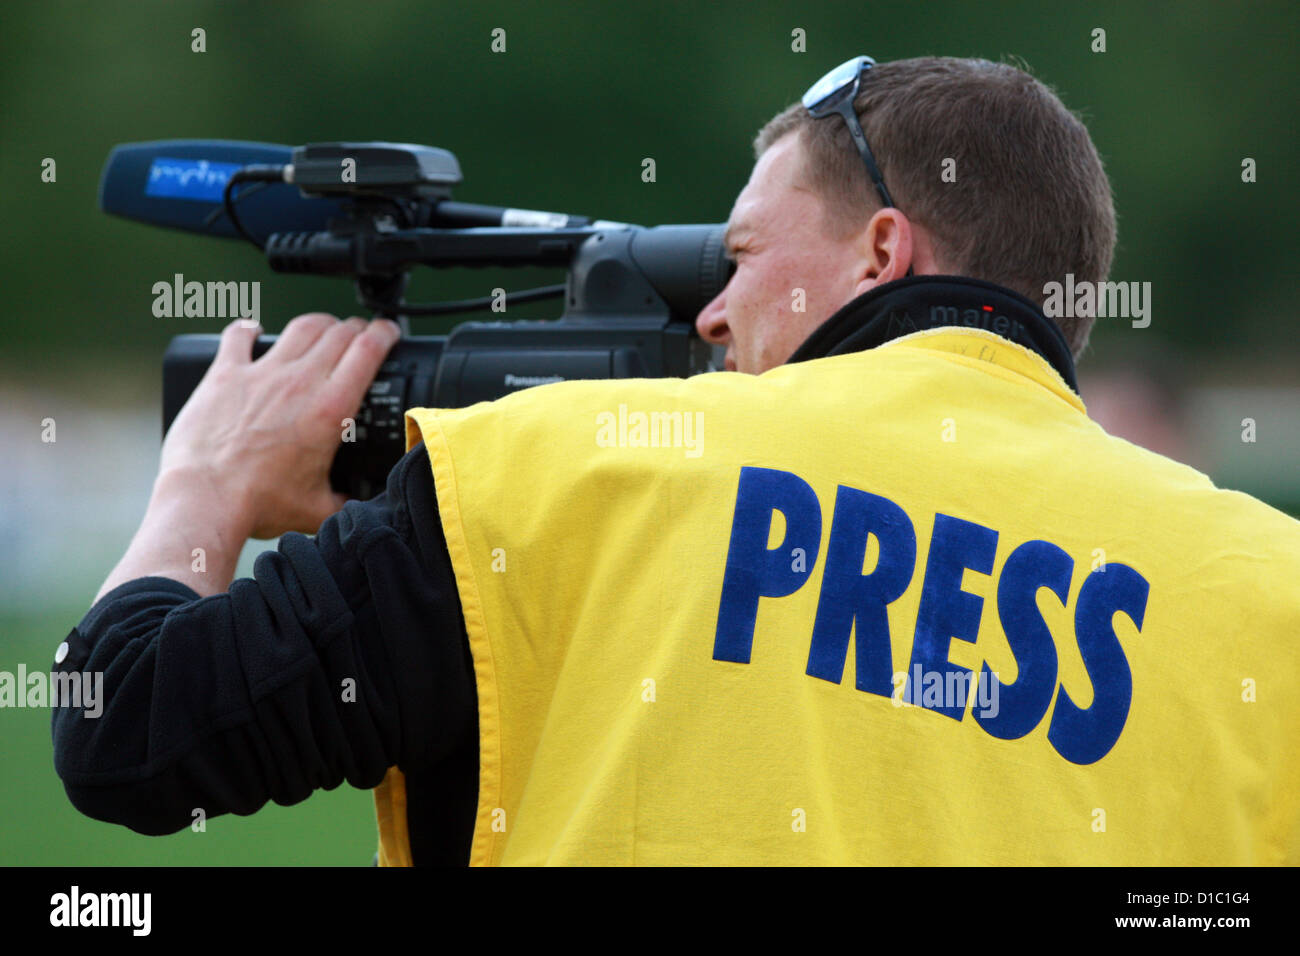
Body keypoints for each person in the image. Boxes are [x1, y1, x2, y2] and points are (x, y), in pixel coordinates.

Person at [52, 55, 1300, 866]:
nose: (709, 314)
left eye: (740, 255)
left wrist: (205, 483)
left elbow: (126, 728)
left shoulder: (559, 471)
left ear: (880, 253)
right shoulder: (1268, 589)